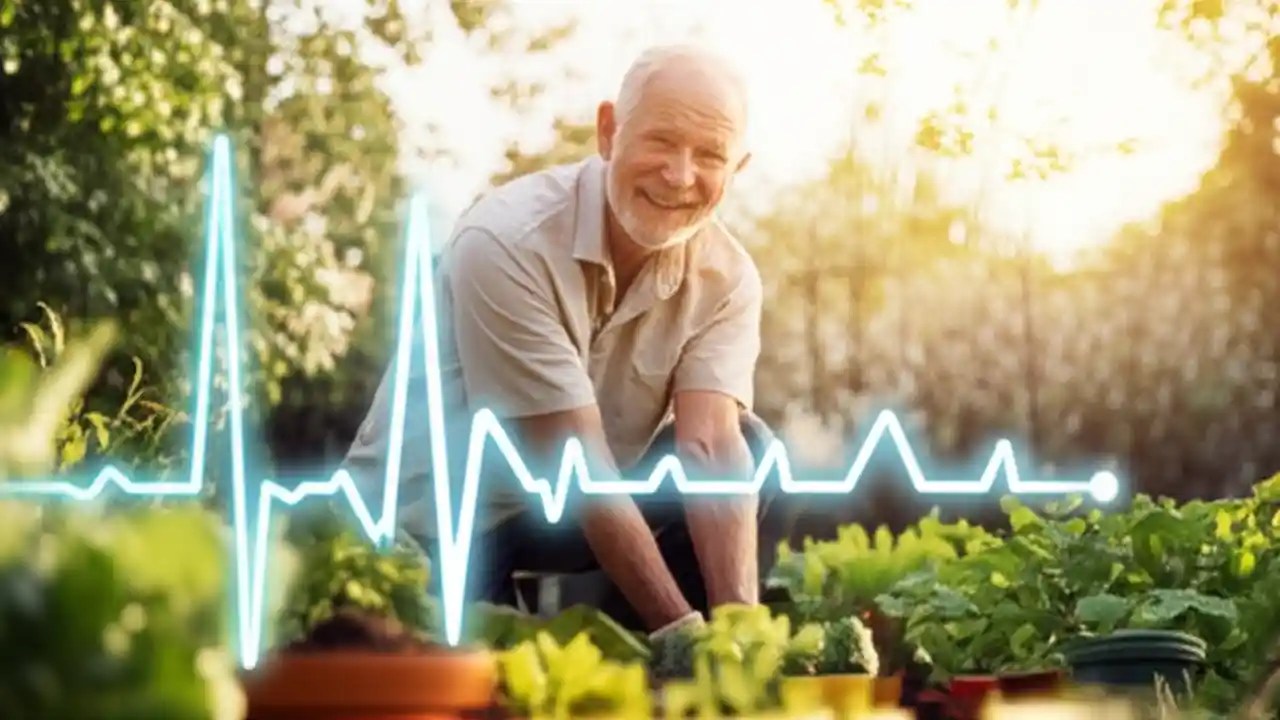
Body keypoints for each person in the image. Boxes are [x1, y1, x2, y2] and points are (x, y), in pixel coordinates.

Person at [343, 43, 793, 642]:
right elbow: (575, 462)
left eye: (709, 154)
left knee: (750, 448)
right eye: (661, 140)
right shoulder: (505, 241)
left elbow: (711, 446)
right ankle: (665, 645)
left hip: (553, 515)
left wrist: (741, 634)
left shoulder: (727, 278)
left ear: (736, 168)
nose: (681, 175)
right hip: (429, 528)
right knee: (473, 690)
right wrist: (679, 632)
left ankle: (674, 681)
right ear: (609, 131)